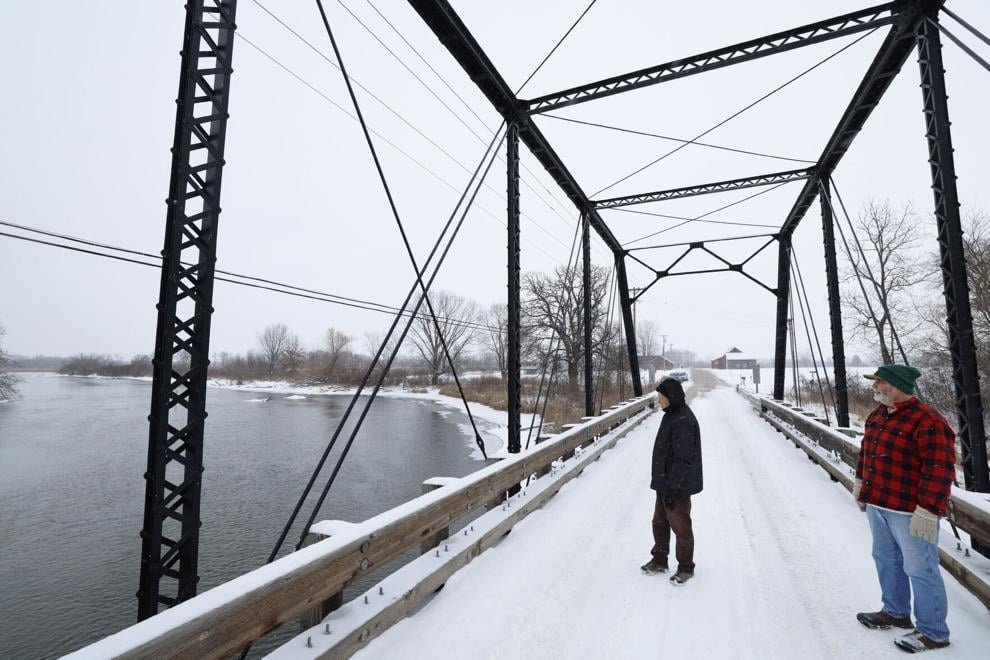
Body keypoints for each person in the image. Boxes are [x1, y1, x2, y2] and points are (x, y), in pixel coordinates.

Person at [853, 364, 956, 653]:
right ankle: (895, 612)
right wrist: (860, 483)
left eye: (880, 382)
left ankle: (933, 632)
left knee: (920, 568)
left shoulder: (928, 421)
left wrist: (928, 510)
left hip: (910, 511)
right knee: (885, 559)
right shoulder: (878, 415)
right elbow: (867, 452)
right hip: (878, 505)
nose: (874, 387)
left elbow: (940, 470)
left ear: (896, 386)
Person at [642, 377, 702, 585]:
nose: (659, 401)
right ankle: (659, 560)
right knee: (659, 522)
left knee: (681, 526)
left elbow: (683, 459)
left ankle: (686, 567)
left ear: (671, 397)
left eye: (661, 397)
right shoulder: (671, 414)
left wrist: (672, 487)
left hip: (676, 486)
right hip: (664, 483)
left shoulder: (683, 419)